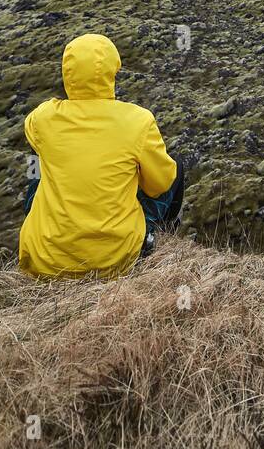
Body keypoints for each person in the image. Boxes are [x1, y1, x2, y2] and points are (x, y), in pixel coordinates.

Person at [18, 33, 183, 278]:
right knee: (174, 169)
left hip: (46, 261)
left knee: (38, 160)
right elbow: (160, 184)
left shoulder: (43, 117)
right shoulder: (138, 121)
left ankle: (38, 222)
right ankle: (152, 235)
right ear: (112, 72)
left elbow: (31, 130)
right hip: (115, 260)